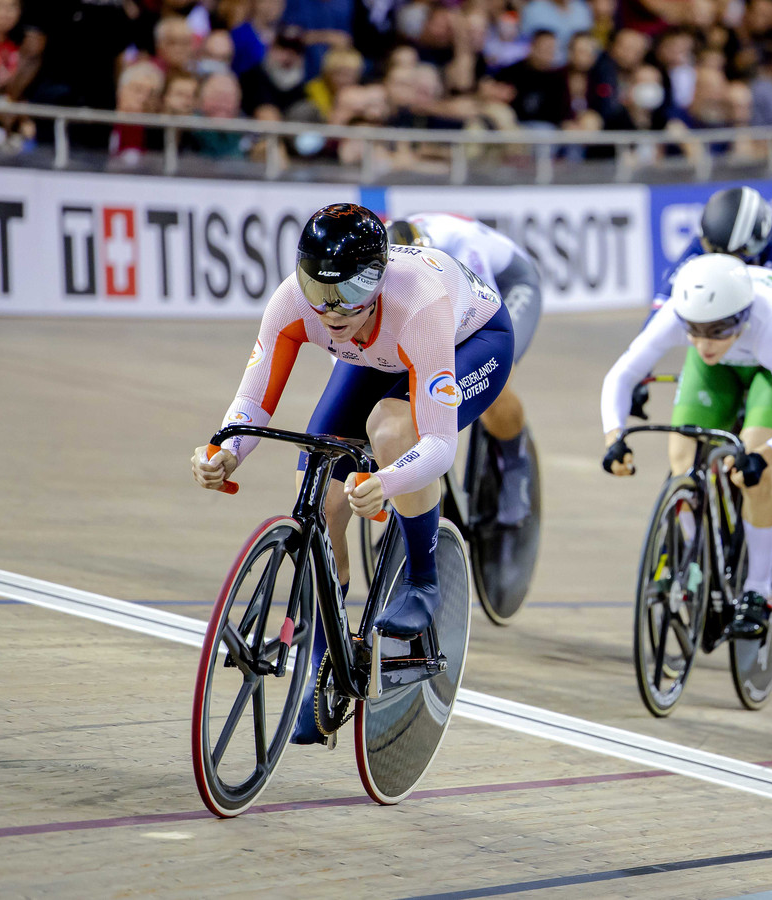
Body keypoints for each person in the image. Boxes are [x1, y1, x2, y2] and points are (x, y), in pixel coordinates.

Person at [190, 204, 514, 743]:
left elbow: (438, 445)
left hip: (469, 340)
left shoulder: (417, 305)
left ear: (380, 280)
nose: (332, 310)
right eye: (318, 291)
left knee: (391, 429)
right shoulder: (295, 302)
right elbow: (253, 402)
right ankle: (324, 673)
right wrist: (225, 451)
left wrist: (387, 481)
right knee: (318, 497)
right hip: (376, 354)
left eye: (350, 291)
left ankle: (422, 579)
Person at [600, 254, 772, 639]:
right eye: (694, 330)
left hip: (771, 367)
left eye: (717, 330)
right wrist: (614, 438)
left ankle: (758, 590)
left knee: (754, 472)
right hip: (720, 369)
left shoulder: (769, 325)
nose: (704, 342)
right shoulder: (681, 313)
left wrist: (766, 456)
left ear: (741, 317)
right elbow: (621, 375)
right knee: (680, 459)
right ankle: (695, 562)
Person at [657, 185, 772, 508]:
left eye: (731, 257)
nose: (721, 261)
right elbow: (662, 307)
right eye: (712, 252)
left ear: (754, 244)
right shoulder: (702, 244)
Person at [385, 214, 544, 527]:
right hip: (445, 297)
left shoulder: (463, 245)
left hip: (507, 287)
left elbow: (486, 314)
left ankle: (514, 462)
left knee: (492, 377)